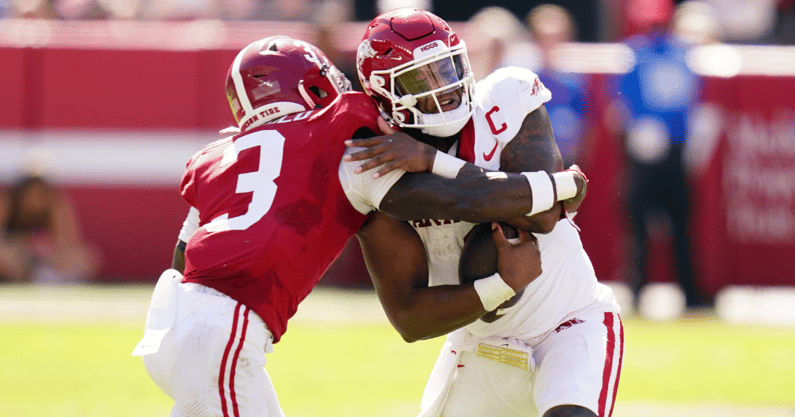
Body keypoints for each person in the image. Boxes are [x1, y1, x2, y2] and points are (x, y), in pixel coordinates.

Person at [132, 35, 587, 417]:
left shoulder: (213, 157)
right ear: (314, 89)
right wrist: (557, 185)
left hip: (173, 321)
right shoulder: (339, 126)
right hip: (226, 330)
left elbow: (182, 258)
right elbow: (447, 198)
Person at [348, 8, 623, 417]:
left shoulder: (509, 95)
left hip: (570, 318)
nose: (443, 87)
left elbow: (544, 216)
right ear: (385, 93)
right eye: (420, 79)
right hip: (479, 341)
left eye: (445, 68)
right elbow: (409, 317)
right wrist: (501, 284)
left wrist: (432, 160)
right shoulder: (370, 162)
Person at [616, 0, 707, 310]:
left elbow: (693, 101)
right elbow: (622, 104)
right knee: (639, 225)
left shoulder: (677, 55)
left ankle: (688, 292)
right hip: (646, 151)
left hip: (671, 150)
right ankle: (639, 290)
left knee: (679, 225)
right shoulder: (637, 55)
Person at [0, 170, 100, 284]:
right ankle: (34, 278)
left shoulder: (57, 204)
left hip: (47, 259)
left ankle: (43, 278)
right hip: (15, 256)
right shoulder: (6, 202)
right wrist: (25, 244)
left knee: (88, 258)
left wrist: (44, 250)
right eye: (29, 192)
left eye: (40, 192)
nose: (34, 199)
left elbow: (70, 243)